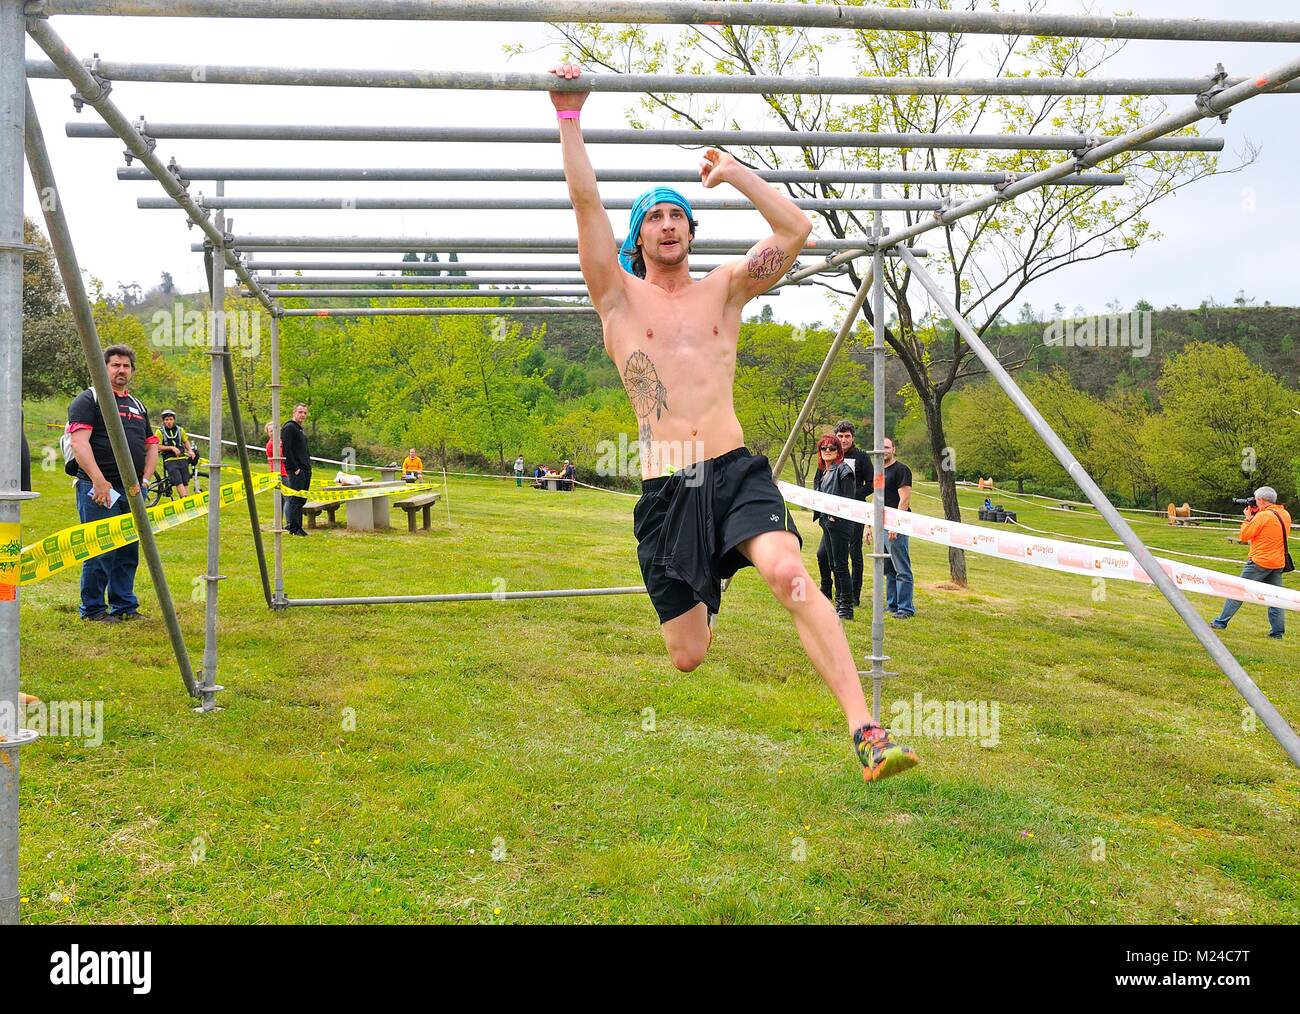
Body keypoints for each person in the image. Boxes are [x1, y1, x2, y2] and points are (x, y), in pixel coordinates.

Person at [551, 62, 917, 782]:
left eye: (677, 214)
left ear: (690, 229)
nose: (667, 223)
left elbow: (797, 228)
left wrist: (739, 172)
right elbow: (585, 203)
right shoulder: (617, 299)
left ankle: (865, 729)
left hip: (735, 468)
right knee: (688, 655)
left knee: (790, 574)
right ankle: (706, 591)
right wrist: (570, 118)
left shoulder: (725, 290)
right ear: (637, 237)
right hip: (669, 492)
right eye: (653, 216)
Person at [65, 344, 159, 622]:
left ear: (132, 371)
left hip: (132, 490)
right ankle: (93, 610)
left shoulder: (137, 405)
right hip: (98, 489)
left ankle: (124, 606)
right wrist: (99, 481)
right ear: (103, 368)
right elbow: (79, 444)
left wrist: (144, 479)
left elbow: (151, 444)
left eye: (126, 366)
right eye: (115, 365)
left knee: (129, 549)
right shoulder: (89, 399)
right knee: (100, 549)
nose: (121, 370)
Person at [1211, 486, 1292, 639]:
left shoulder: (1263, 516)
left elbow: (1244, 536)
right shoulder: (1285, 514)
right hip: (1277, 563)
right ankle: (1277, 633)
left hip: (1259, 562)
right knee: (1276, 597)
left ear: (1261, 500)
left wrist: (1248, 518)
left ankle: (1220, 622)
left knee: (1237, 591)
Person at [813, 435, 857, 621]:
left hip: (840, 523)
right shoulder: (824, 471)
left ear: (839, 451)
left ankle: (846, 607)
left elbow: (848, 498)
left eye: (832, 447)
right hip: (827, 522)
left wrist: (835, 515)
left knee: (840, 565)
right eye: (824, 448)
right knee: (826, 559)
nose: (828, 450)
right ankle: (835, 599)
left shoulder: (844, 470)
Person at [871, 436, 915, 619]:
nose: (884, 450)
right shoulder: (879, 472)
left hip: (896, 526)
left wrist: (896, 525)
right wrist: (869, 525)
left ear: (893, 449)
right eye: (881, 447)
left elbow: (904, 499)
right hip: (882, 525)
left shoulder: (901, 470)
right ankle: (892, 604)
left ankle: (905, 608)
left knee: (901, 568)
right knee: (888, 568)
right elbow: (876, 498)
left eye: (887, 447)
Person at [834, 420, 873, 608]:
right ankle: (839, 591)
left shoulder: (862, 457)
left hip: (857, 510)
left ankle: (855, 595)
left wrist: (853, 496)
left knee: (854, 553)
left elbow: (874, 483)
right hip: (834, 511)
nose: (843, 440)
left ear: (853, 437)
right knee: (832, 553)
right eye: (840, 436)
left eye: (847, 436)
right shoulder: (831, 454)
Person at [281, 403, 312, 537]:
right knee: (295, 499)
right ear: (294, 412)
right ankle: (294, 528)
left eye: (305, 413)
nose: (303, 415)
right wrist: (295, 468)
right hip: (296, 470)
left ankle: (299, 527)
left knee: (301, 499)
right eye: (300, 412)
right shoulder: (289, 428)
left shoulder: (299, 429)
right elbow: (286, 450)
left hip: (305, 469)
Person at [154, 409, 193, 498]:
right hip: (170, 460)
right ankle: (185, 499)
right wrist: (171, 448)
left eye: (171, 419)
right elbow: (157, 446)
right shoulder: (159, 432)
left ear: (174, 420)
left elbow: (185, 441)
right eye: (166, 420)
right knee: (178, 481)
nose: (169, 422)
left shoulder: (180, 430)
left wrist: (190, 450)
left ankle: (185, 500)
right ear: (163, 421)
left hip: (182, 458)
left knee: (185, 480)